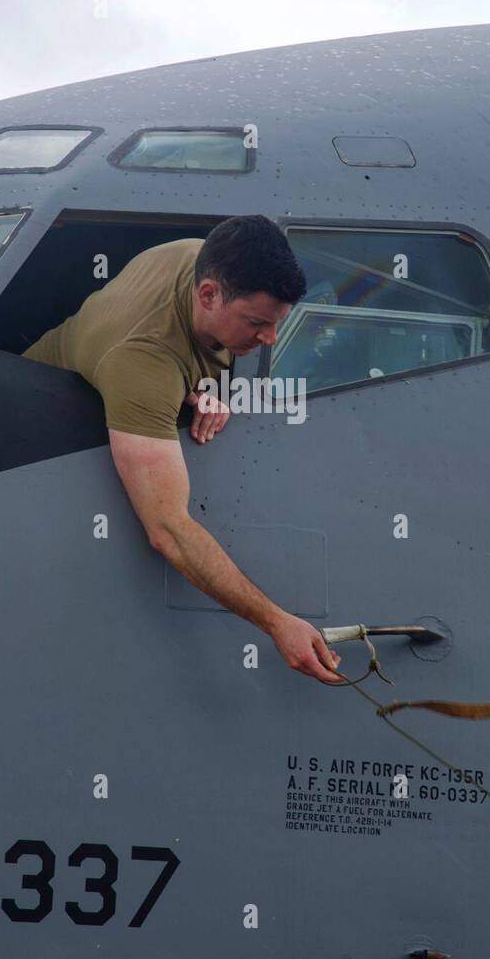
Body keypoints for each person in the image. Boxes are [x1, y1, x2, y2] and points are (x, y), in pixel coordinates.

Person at [23, 215, 343, 684]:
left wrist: (195, 384)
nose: (270, 339)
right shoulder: (143, 365)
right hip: (40, 426)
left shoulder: (199, 253)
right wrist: (279, 623)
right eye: (256, 323)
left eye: (277, 324)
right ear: (209, 294)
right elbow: (168, 529)